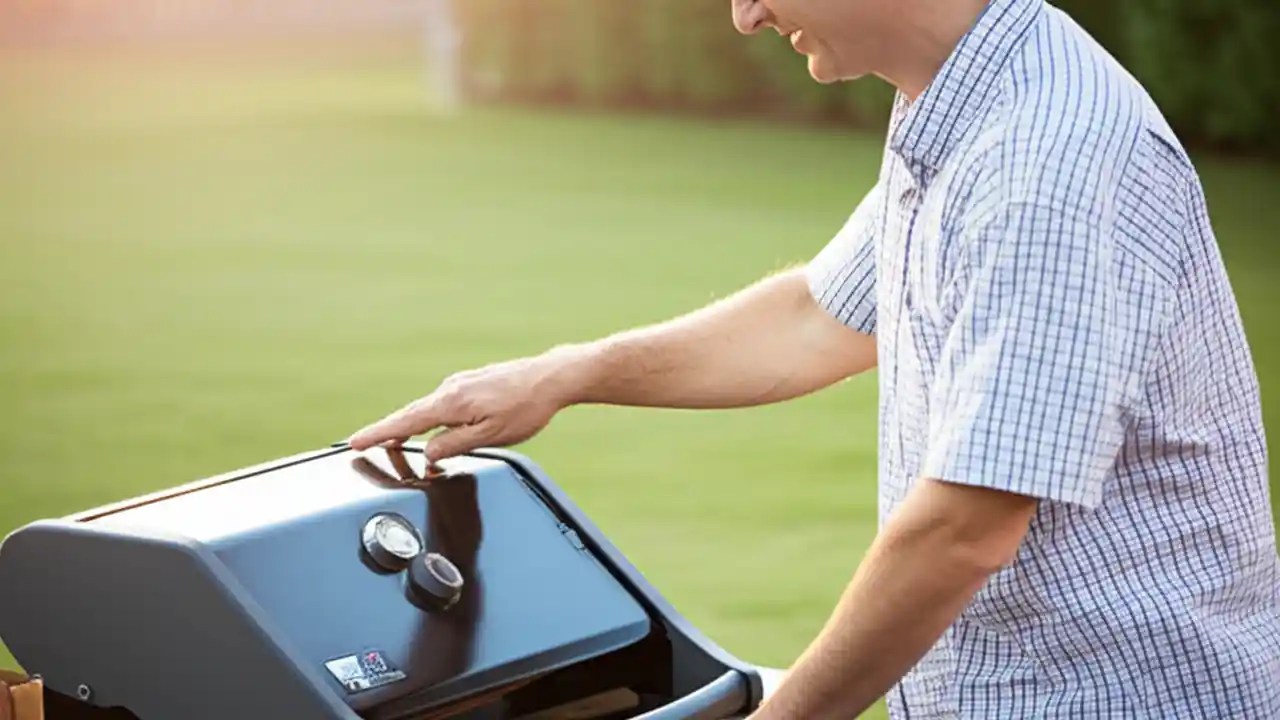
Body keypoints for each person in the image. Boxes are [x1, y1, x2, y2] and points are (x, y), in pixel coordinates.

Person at [349, 0, 1280, 716]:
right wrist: (567, 372)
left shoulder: (1044, 164)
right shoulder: (968, 103)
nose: (744, 13)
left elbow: (965, 527)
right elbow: (814, 319)